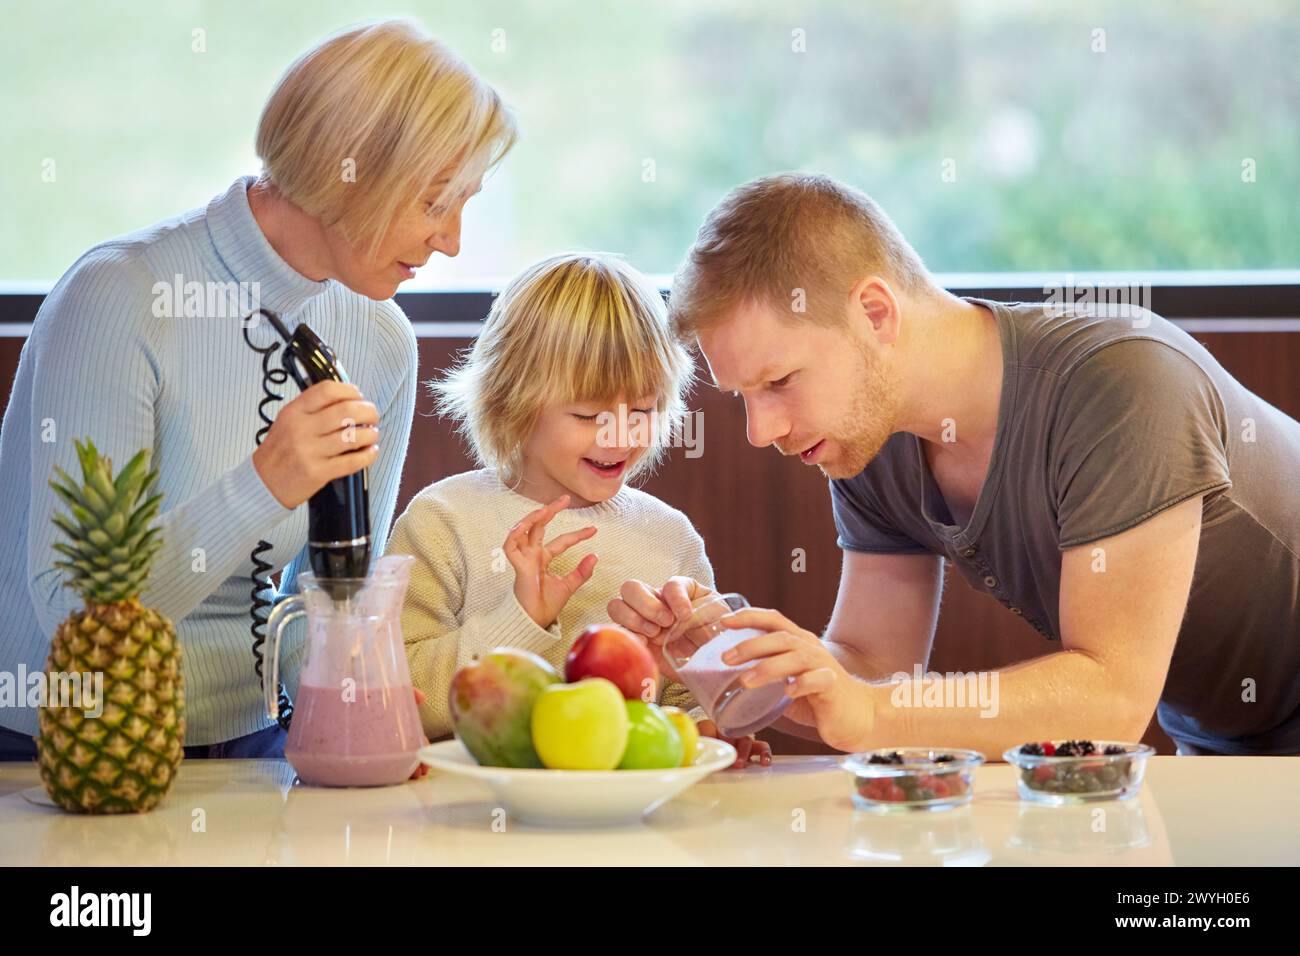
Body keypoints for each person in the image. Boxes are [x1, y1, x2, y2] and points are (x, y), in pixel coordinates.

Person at [612, 172, 1300, 757]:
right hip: (1230, 743)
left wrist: (873, 711)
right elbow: (873, 667)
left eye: (780, 382)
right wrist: (751, 665)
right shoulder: (868, 441)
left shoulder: (1122, 383)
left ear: (875, 313)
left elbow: (1110, 699)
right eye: (742, 398)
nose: (762, 430)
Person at [0, 20, 516, 760]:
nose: (453, 241)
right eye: (435, 203)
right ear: (352, 173)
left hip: (262, 744)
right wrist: (266, 482)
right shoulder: (119, 298)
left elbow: (335, 594)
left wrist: (359, 704)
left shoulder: (380, 339)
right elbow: (73, 610)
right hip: (59, 752)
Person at [386, 252, 772, 768]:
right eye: (589, 414)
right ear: (510, 403)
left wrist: (710, 722)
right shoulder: (442, 521)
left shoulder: (668, 536)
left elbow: (679, 708)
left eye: (643, 410)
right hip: (472, 822)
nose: (621, 435)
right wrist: (519, 620)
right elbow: (400, 690)